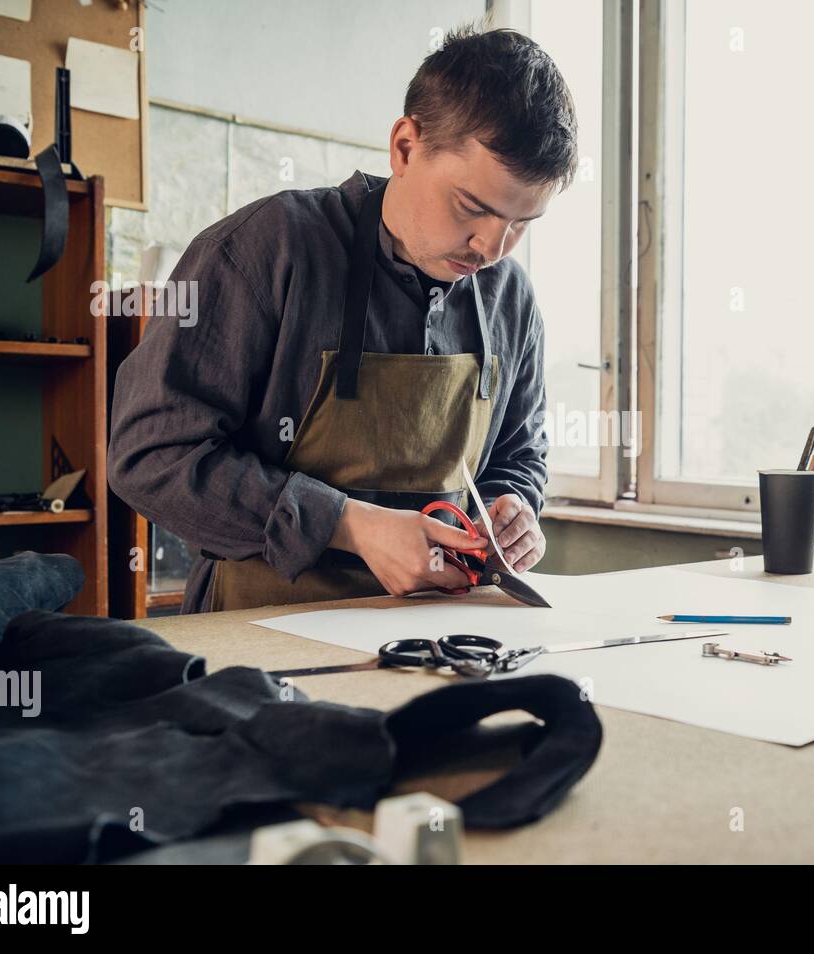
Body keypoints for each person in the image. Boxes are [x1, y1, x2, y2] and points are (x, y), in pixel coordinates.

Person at [108, 25, 577, 612]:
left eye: (521, 222)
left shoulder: (510, 297)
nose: (491, 246)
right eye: (473, 207)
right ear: (406, 146)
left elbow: (519, 455)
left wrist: (515, 506)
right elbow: (149, 457)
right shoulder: (265, 252)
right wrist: (349, 525)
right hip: (263, 636)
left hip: (441, 636)